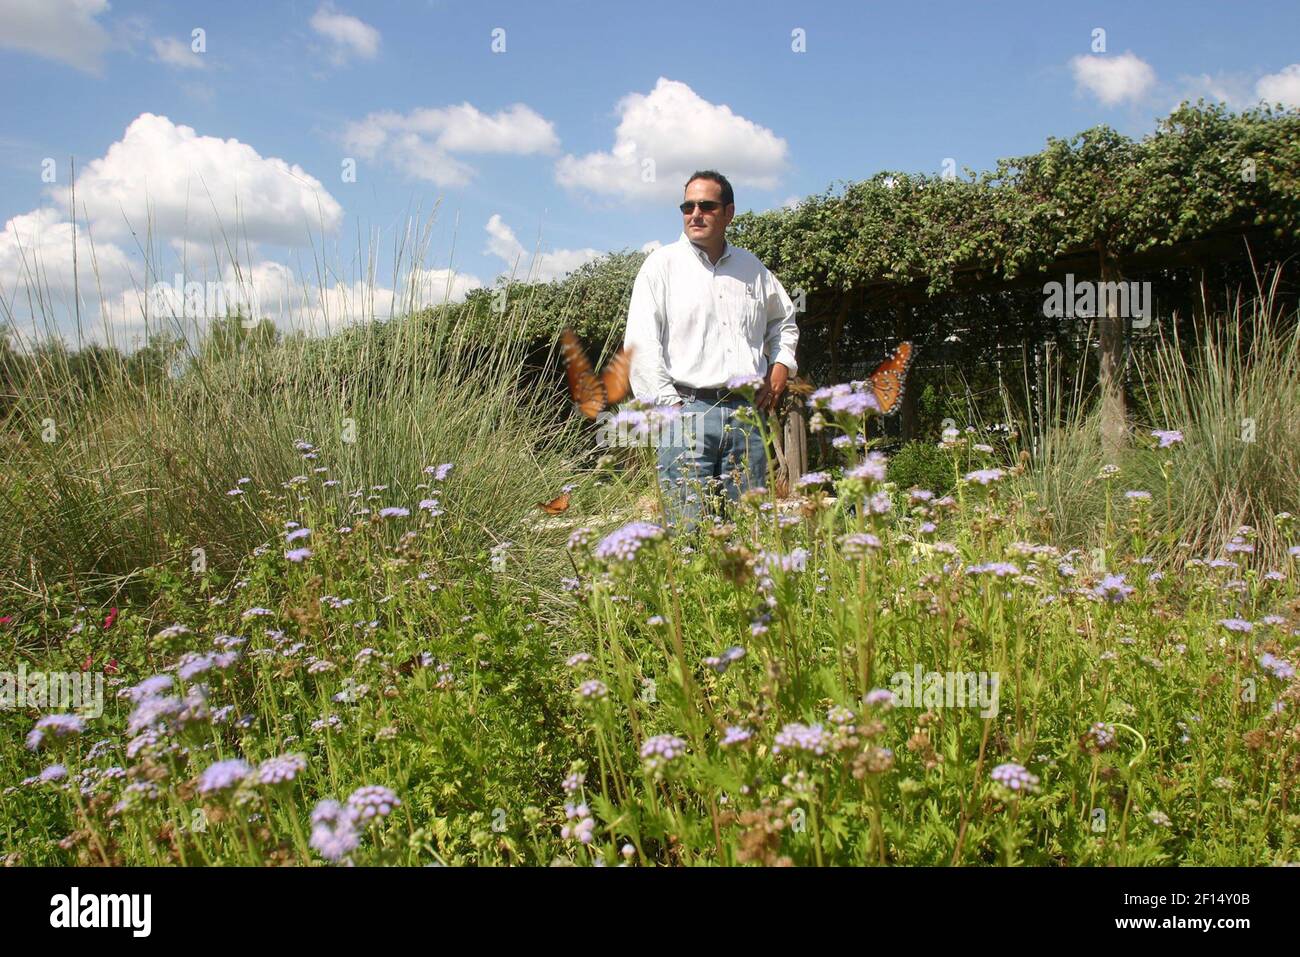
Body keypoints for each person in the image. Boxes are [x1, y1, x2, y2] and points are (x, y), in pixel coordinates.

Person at [623, 170, 800, 533]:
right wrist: (669, 410)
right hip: (685, 413)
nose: (695, 213)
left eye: (706, 205)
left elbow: (783, 321)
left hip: (747, 418)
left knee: (750, 533)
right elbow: (640, 343)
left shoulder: (753, 270)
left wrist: (782, 362)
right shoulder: (661, 266)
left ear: (729, 213)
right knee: (688, 536)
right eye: (687, 206)